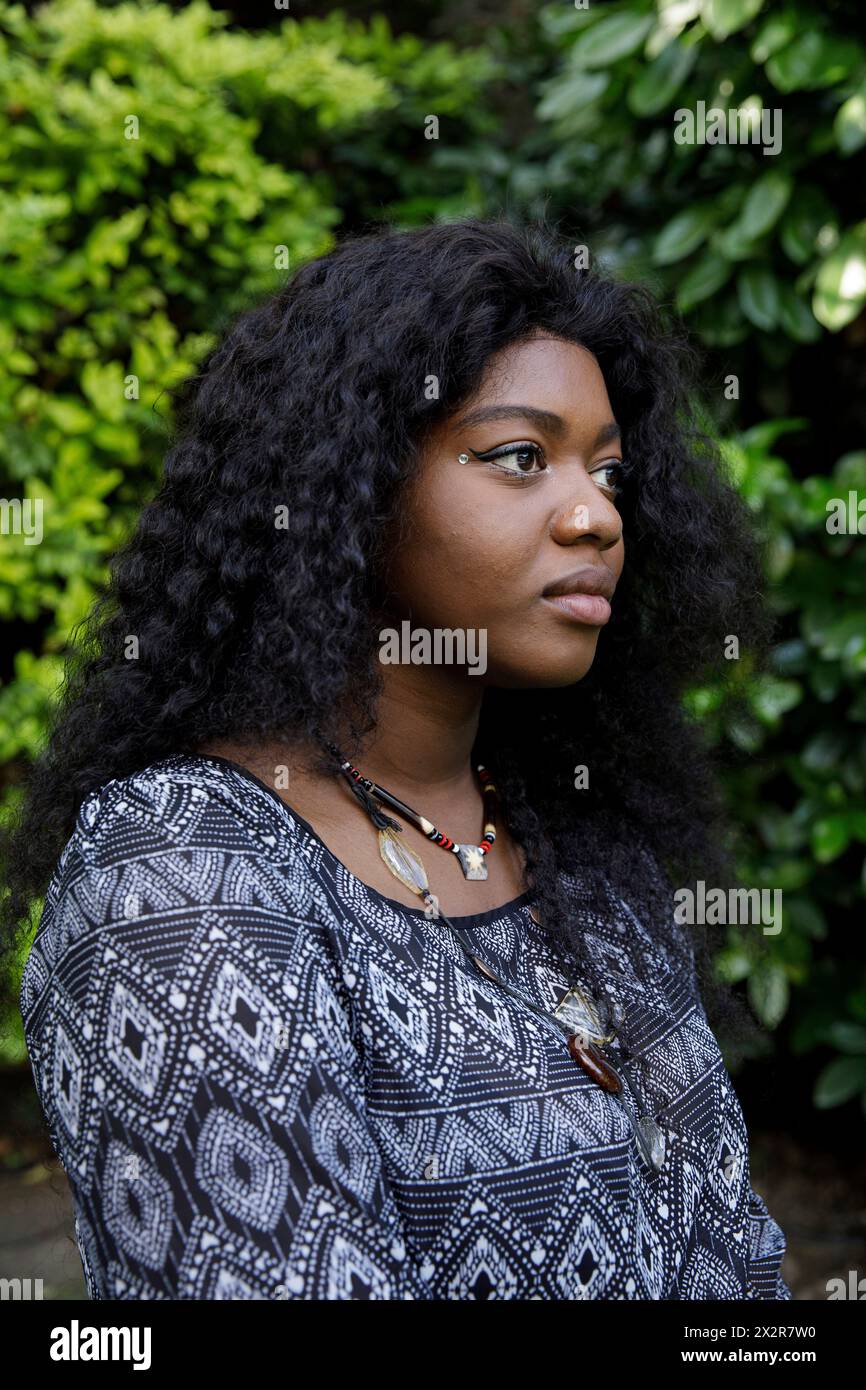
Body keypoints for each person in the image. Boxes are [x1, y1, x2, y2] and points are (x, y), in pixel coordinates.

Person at [5, 218, 791, 1299]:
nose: (593, 514)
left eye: (608, 472)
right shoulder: (181, 874)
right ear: (353, 480)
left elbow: (737, 1270)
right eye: (519, 456)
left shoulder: (583, 853)